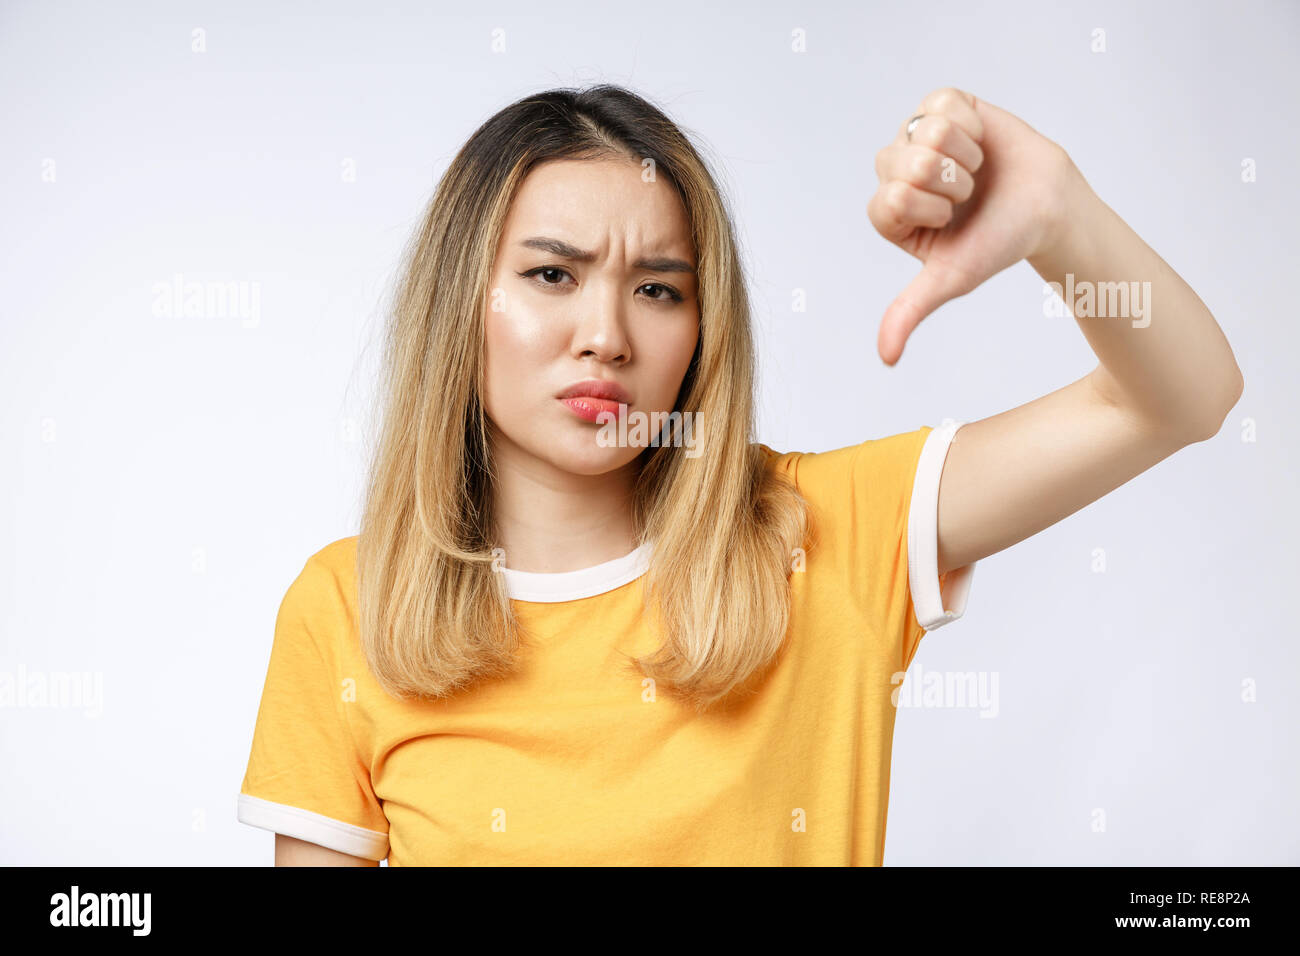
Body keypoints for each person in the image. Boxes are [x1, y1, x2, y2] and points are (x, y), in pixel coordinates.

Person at [237, 84, 1243, 866]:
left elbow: (1179, 399)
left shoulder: (829, 531)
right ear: (462, 300)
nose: (607, 336)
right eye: (553, 274)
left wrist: (1060, 217)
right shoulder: (346, 607)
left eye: (657, 288)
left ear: (702, 327)